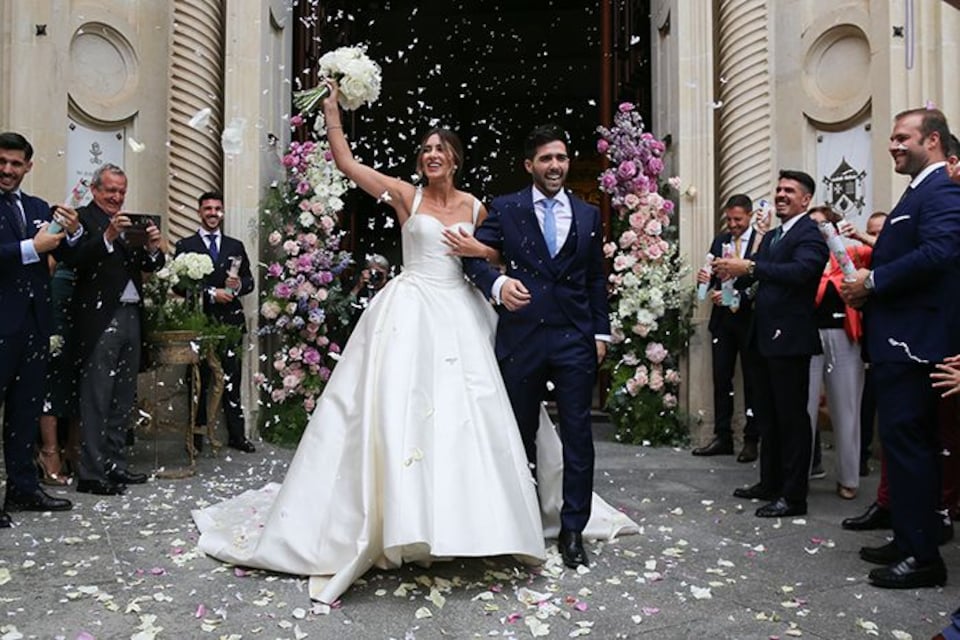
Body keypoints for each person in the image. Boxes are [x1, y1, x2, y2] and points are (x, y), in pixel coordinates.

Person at [192, 83, 636, 604]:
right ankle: (405, 517)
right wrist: (334, 114)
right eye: (425, 150)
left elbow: (505, 255)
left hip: (466, 315)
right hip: (410, 312)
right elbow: (348, 165)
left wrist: (487, 261)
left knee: (474, 420)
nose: (431, 156)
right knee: (404, 417)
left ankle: (485, 521)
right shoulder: (408, 196)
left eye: (440, 150)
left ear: (454, 159)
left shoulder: (478, 206)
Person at [456, 123, 611, 569]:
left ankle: (572, 529)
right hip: (521, 338)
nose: (555, 166)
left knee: (578, 437)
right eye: (546, 158)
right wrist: (499, 283)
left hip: (574, 340)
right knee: (518, 435)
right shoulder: (506, 209)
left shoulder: (586, 214)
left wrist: (600, 333)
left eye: (561, 158)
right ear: (530, 165)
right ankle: (518, 523)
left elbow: (595, 277)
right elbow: (472, 257)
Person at [840, 108, 960, 589]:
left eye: (901, 137)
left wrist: (874, 281)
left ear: (932, 140)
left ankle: (923, 557)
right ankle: (910, 537)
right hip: (899, 339)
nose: (892, 145)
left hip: (915, 343)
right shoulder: (920, 190)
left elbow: (942, 251)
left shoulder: (942, 190)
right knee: (908, 447)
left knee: (910, 446)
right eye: (890, 137)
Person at [715, 170, 829, 518]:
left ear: (806, 199)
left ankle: (794, 495)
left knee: (791, 418)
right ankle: (769, 482)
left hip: (790, 337)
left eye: (789, 191)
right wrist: (733, 285)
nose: (780, 195)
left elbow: (801, 272)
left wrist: (749, 266)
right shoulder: (775, 234)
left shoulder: (812, 233)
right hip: (762, 336)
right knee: (767, 415)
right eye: (778, 189)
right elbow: (761, 280)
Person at [65, 163, 165, 496]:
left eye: (121, 191)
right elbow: (74, 257)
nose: (117, 197)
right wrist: (107, 237)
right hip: (98, 318)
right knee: (97, 397)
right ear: (95, 190)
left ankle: (115, 465)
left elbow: (151, 266)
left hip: (131, 316)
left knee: (123, 397)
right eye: (110, 191)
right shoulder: (83, 218)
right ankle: (92, 473)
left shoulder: (130, 222)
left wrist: (152, 247)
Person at [0, 131, 78, 526]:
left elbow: (66, 251)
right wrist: (34, 247)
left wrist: (73, 229)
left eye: (16, 163)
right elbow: (28, 250)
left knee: (25, 410)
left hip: (34, 325)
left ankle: (23, 488)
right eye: (2, 162)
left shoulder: (35, 206)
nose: (8, 170)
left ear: (28, 167)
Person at [174, 191, 256, 454]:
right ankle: (194, 436)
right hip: (199, 322)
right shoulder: (185, 245)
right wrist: (211, 293)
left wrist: (238, 285)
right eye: (207, 208)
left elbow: (250, 281)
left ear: (222, 212)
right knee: (198, 381)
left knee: (232, 377)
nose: (212, 213)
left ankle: (237, 435)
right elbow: (178, 286)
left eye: (217, 208)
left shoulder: (235, 246)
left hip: (230, 323)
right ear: (199, 212)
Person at [805, 205, 871, 500]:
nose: (816, 232)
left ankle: (848, 477)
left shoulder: (852, 254)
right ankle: (799, 472)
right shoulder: (804, 257)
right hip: (807, 335)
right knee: (803, 408)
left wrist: (860, 234)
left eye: (821, 226)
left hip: (844, 335)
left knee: (846, 408)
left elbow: (887, 256)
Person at [691, 194, 761, 463]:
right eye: (729, 219)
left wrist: (737, 298)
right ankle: (723, 435)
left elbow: (760, 279)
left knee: (753, 380)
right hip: (723, 321)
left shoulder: (760, 241)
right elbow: (710, 276)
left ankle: (752, 438)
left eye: (738, 220)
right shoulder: (720, 241)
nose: (732, 225)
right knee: (721, 378)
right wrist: (704, 282)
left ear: (750, 216)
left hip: (750, 319)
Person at [37, 258, 81, 485]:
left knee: (82, 376)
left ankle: (74, 448)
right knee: (55, 375)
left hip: (90, 294)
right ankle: (49, 451)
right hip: (60, 294)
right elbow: (48, 261)